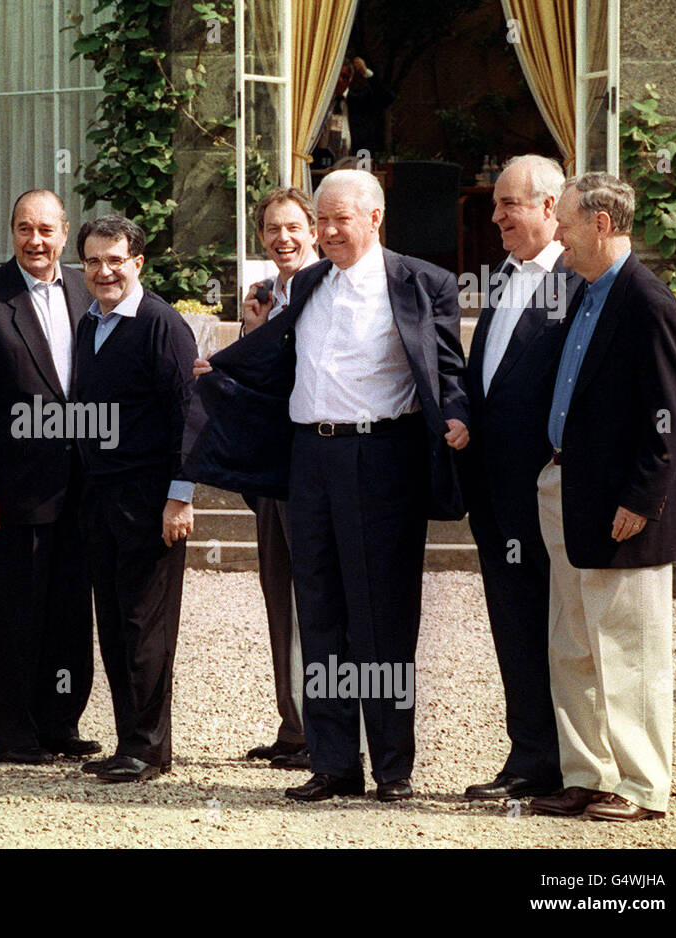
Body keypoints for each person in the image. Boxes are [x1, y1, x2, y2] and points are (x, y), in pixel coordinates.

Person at [184, 169, 469, 803]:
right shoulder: (308, 283)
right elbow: (273, 360)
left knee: (384, 618)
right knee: (319, 612)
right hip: (308, 459)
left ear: (375, 216)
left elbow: (447, 366)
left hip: (383, 459)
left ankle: (393, 770)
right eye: (324, 219)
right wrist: (219, 369)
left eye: (342, 218)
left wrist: (457, 416)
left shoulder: (423, 283)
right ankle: (335, 762)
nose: (330, 231)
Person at [529, 173, 676, 822]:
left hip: (624, 509)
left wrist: (643, 500)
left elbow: (668, 414)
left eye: (565, 222)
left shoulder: (646, 301)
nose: (557, 234)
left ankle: (640, 787)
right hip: (567, 489)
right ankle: (588, 774)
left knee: (628, 651)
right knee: (571, 643)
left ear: (601, 224)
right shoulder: (585, 293)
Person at [0, 190, 98, 764]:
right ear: (11, 233)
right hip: (11, 489)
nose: (36, 241)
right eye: (24, 229)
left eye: (47, 230)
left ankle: (60, 722)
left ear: (64, 234)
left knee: (67, 612)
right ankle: (13, 732)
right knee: (14, 614)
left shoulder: (86, 289)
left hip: (79, 487)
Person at [460, 155, 582, 801]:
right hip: (496, 499)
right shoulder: (501, 278)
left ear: (549, 208)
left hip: (551, 495)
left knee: (564, 634)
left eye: (509, 204)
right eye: (498, 204)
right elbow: (488, 380)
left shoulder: (579, 282)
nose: (497, 216)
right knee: (515, 629)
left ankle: (574, 767)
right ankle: (529, 758)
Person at [194, 187, 320, 770]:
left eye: (292, 226)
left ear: (314, 230)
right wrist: (252, 330)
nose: (282, 238)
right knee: (279, 593)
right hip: (270, 471)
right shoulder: (274, 299)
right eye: (272, 228)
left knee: (315, 598)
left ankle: (323, 727)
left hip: (314, 469)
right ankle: (293, 724)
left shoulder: (324, 289)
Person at [73, 214, 198, 783]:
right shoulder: (88, 326)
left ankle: (149, 749)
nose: (104, 271)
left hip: (151, 501)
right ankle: (130, 741)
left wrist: (180, 496)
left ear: (137, 263)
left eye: (115, 260)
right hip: (99, 500)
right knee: (115, 625)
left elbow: (187, 416)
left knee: (146, 626)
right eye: (94, 261)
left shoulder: (161, 325)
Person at [314, 56, 395, 165]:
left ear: (350, 79)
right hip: (321, 162)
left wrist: (366, 72)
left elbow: (387, 98)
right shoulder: (319, 102)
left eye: (344, 76)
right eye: (336, 76)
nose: (339, 80)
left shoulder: (359, 100)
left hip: (354, 161)